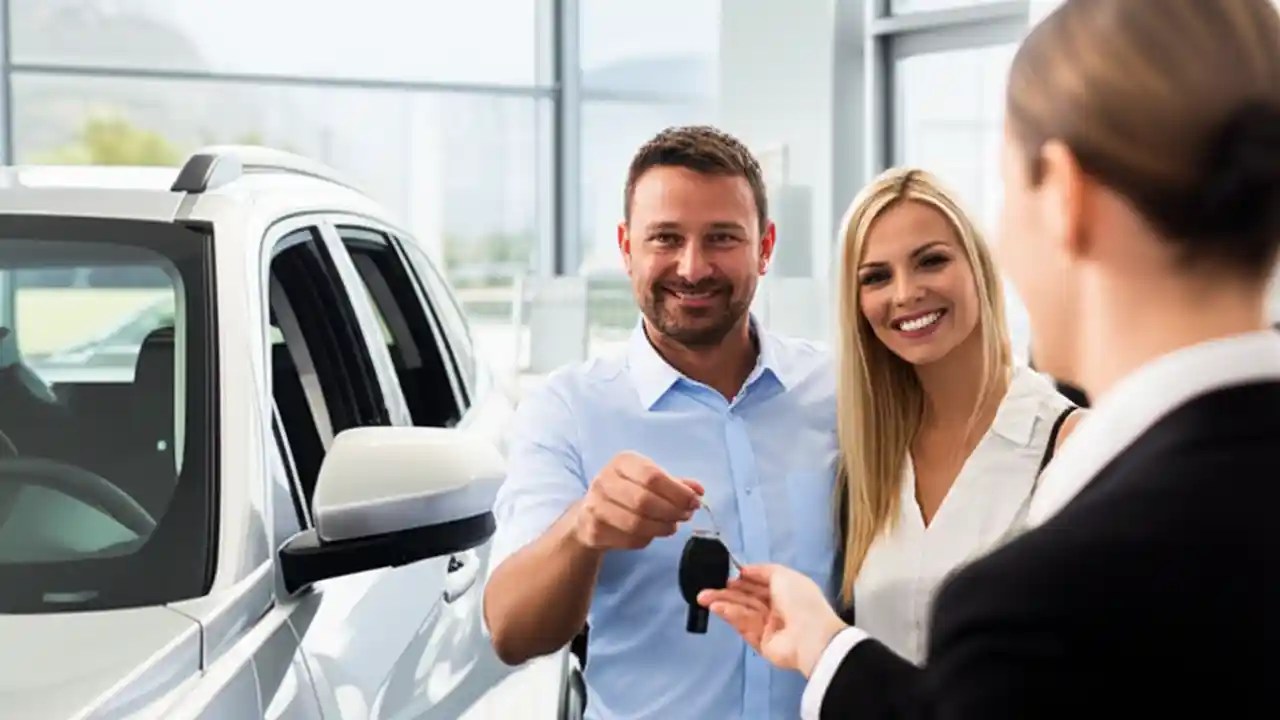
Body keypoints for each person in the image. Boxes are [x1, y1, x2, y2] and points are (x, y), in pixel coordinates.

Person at [698, 0, 1280, 717]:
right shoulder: (867, 464)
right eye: (875, 276)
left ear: (1064, 196)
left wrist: (830, 653)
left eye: (1008, 191)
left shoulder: (1035, 600)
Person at [482, 125, 839, 719]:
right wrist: (585, 528)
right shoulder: (567, 409)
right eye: (666, 238)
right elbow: (511, 633)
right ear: (626, 248)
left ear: (765, 246)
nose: (693, 268)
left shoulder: (835, 392)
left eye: (721, 238)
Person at [828, 167, 1082, 664]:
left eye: (931, 261)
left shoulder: (1070, 446)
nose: (905, 293)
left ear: (978, 265)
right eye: (876, 277)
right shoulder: (864, 462)